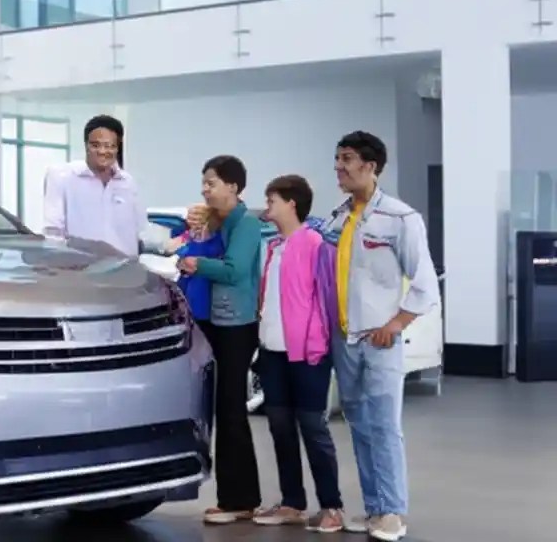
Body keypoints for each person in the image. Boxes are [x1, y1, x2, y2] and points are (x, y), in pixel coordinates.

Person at [317, 131, 439, 542]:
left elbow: (425, 285)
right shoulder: (338, 217)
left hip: (379, 340)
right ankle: (373, 509)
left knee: (385, 426)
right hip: (344, 339)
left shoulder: (401, 218)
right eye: (337, 158)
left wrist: (396, 324)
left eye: (347, 159)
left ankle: (392, 512)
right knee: (360, 426)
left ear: (370, 166)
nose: (339, 166)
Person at [250, 175, 346, 532]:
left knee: (312, 426)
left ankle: (332, 506)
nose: (268, 206)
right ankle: (292, 503)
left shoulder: (316, 245)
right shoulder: (274, 248)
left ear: (291, 203)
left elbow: (327, 300)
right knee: (279, 427)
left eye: (272, 199)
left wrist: (319, 346)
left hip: (307, 356)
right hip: (272, 354)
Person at [177, 155, 263, 524]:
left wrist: (198, 265)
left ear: (233, 186)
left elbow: (235, 270)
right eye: (204, 182)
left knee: (231, 410)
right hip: (213, 322)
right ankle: (233, 497)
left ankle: (239, 499)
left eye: (211, 182)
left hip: (236, 325)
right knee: (219, 410)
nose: (205, 189)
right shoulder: (218, 221)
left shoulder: (246, 224)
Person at [42, 114, 162, 259]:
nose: (103, 152)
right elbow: (53, 232)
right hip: (79, 272)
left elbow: (141, 230)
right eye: (95, 145)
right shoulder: (62, 176)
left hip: (125, 272)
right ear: (86, 145)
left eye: (110, 146)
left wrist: (167, 245)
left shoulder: (127, 182)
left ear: (117, 148)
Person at [164, 204, 224, 321]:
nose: (194, 220)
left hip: (204, 304)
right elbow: (170, 246)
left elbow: (203, 253)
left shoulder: (215, 243)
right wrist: (187, 227)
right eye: (192, 216)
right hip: (183, 302)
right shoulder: (187, 236)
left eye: (198, 216)